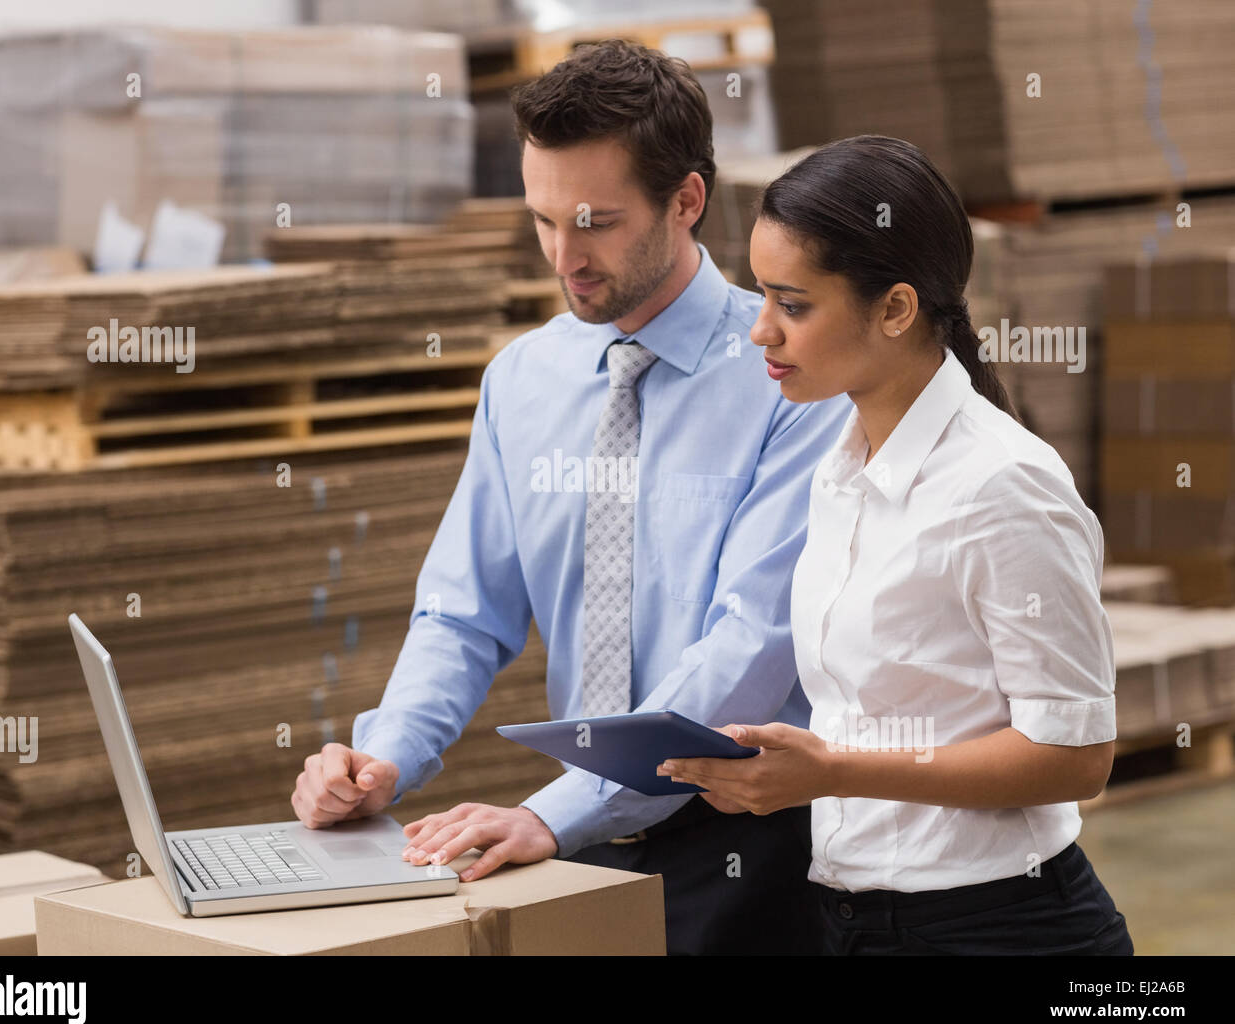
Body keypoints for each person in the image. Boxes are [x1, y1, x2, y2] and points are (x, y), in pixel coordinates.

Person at [288, 40, 851, 955]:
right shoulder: (523, 381)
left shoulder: (789, 378)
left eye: (594, 222)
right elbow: (463, 612)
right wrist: (384, 756)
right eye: (543, 220)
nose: (564, 256)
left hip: (748, 849)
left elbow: (751, 643)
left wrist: (557, 810)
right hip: (579, 842)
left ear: (687, 201)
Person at [659, 135, 1134, 956]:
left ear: (895, 308)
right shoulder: (839, 467)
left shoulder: (1003, 485)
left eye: (793, 305)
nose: (761, 330)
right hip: (852, 917)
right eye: (761, 296)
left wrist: (834, 771)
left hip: (1000, 931)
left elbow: (1075, 754)